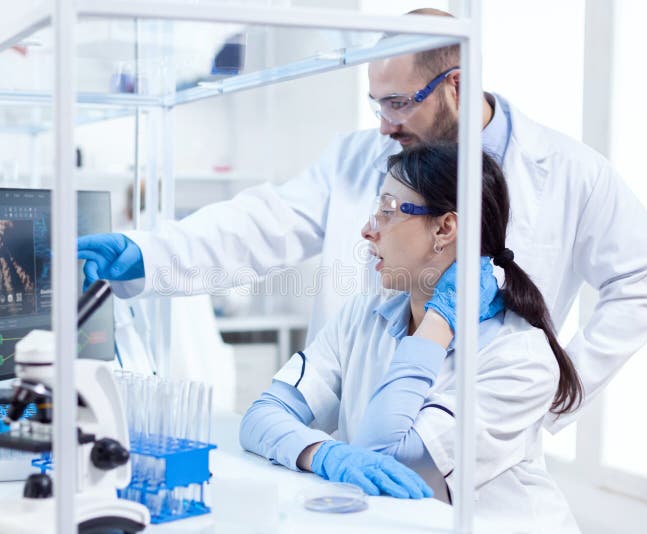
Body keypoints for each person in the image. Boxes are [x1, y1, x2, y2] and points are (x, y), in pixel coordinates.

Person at [77, 8, 647, 432]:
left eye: (397, 103)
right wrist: (148, 253)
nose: (383, 123)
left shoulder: (569, 171)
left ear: (457, 86)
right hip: (359, 430)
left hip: (480, 452)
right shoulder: (359, 159)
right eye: (376, 103)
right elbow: (261, 224)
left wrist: (559, 389)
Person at [240, 144, 581, 532]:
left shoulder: (518, 356)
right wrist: (323, 453)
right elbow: (260, 417)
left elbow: (389, 456)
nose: (369, 229)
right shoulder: (363, 316)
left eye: (388, 210)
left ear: (444, 228)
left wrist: (439, 323)